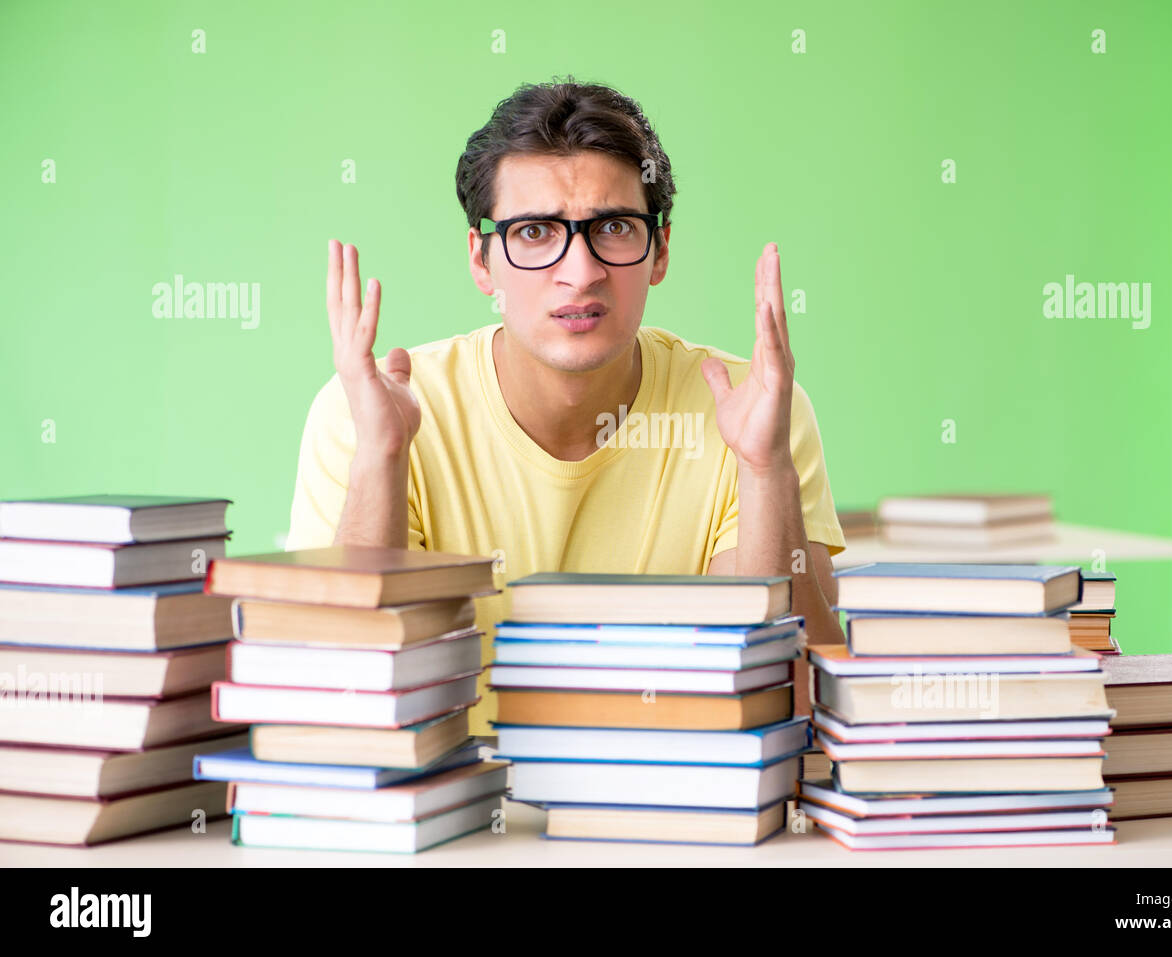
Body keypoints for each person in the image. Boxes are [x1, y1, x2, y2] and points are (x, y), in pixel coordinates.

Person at [285, 77, 845, 733]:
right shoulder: (370, 413)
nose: (579, 272)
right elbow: (340, 693)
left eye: (613, 227)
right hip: (458, 819)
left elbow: (785, 693)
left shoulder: (753, 409)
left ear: (660, 249)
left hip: (672, 812)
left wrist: (764, 471)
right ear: (482, 259)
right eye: (534, 231)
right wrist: (381, 457)